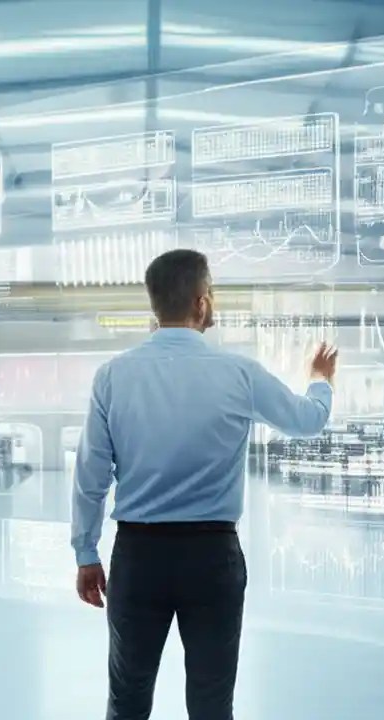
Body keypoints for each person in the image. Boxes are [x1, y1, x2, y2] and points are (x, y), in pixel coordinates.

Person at [71, 249, 338, 720]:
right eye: (210, 291)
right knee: (213, 705)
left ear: (156, 304)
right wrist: (320, 380)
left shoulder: (112, 376)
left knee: (127, 701)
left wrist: (87, 554)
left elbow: (91, 473)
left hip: (138, 558)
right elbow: (307, 420)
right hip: (212, 559)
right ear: (201, 303)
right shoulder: (239, 374)